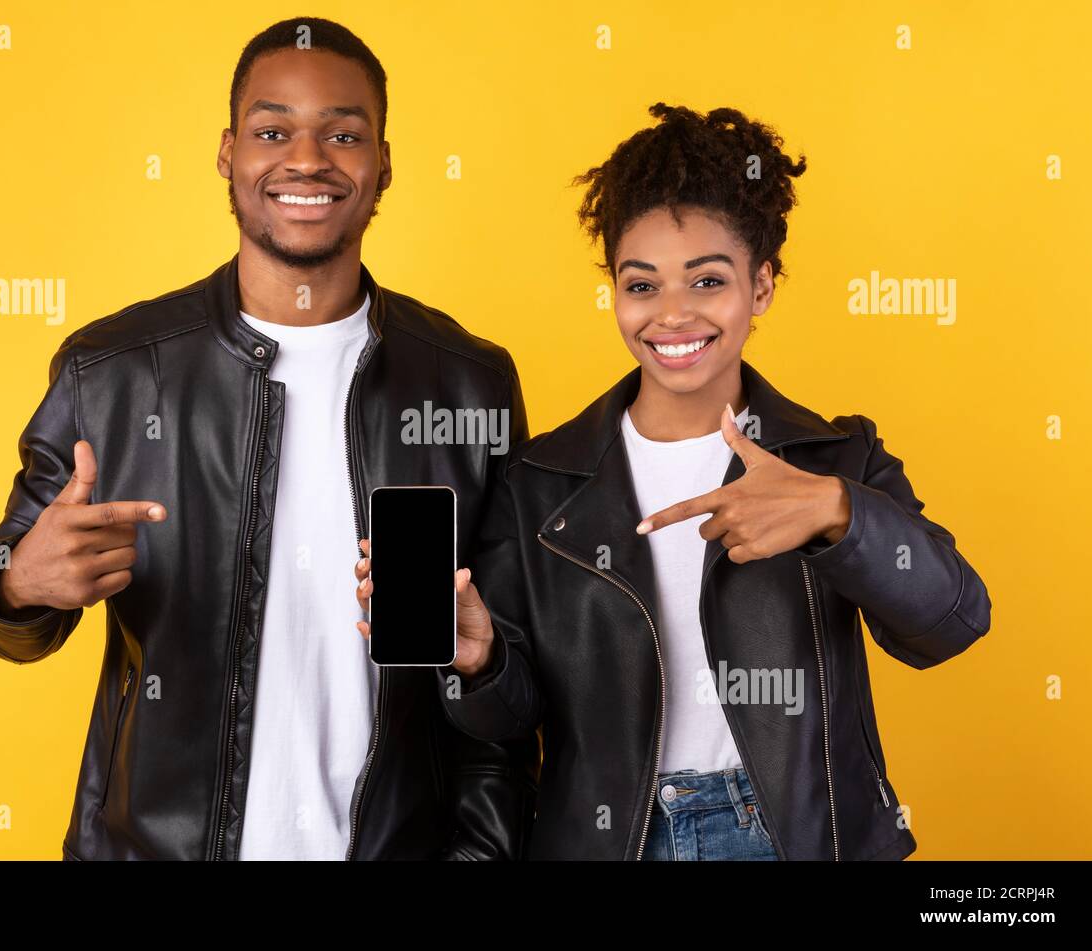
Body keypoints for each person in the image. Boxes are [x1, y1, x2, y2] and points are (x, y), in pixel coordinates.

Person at [0, 16, 536, 861]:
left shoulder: (465, 382)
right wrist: (20, 583)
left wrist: (481, 670)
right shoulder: (112, 371)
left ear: (383, 165)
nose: (307, 159)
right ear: (229, 153)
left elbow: (511, 701)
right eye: (274, 131)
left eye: (344, 133)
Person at [411, 103, 992, 860]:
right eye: (642, 285)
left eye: (708, 280)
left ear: (762, 287)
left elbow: (951, 621)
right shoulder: (541, 483)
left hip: (793, 838)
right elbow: (509, 721)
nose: (673, 314)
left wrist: (837, 514)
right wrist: (482, 660)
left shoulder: (836, 456)